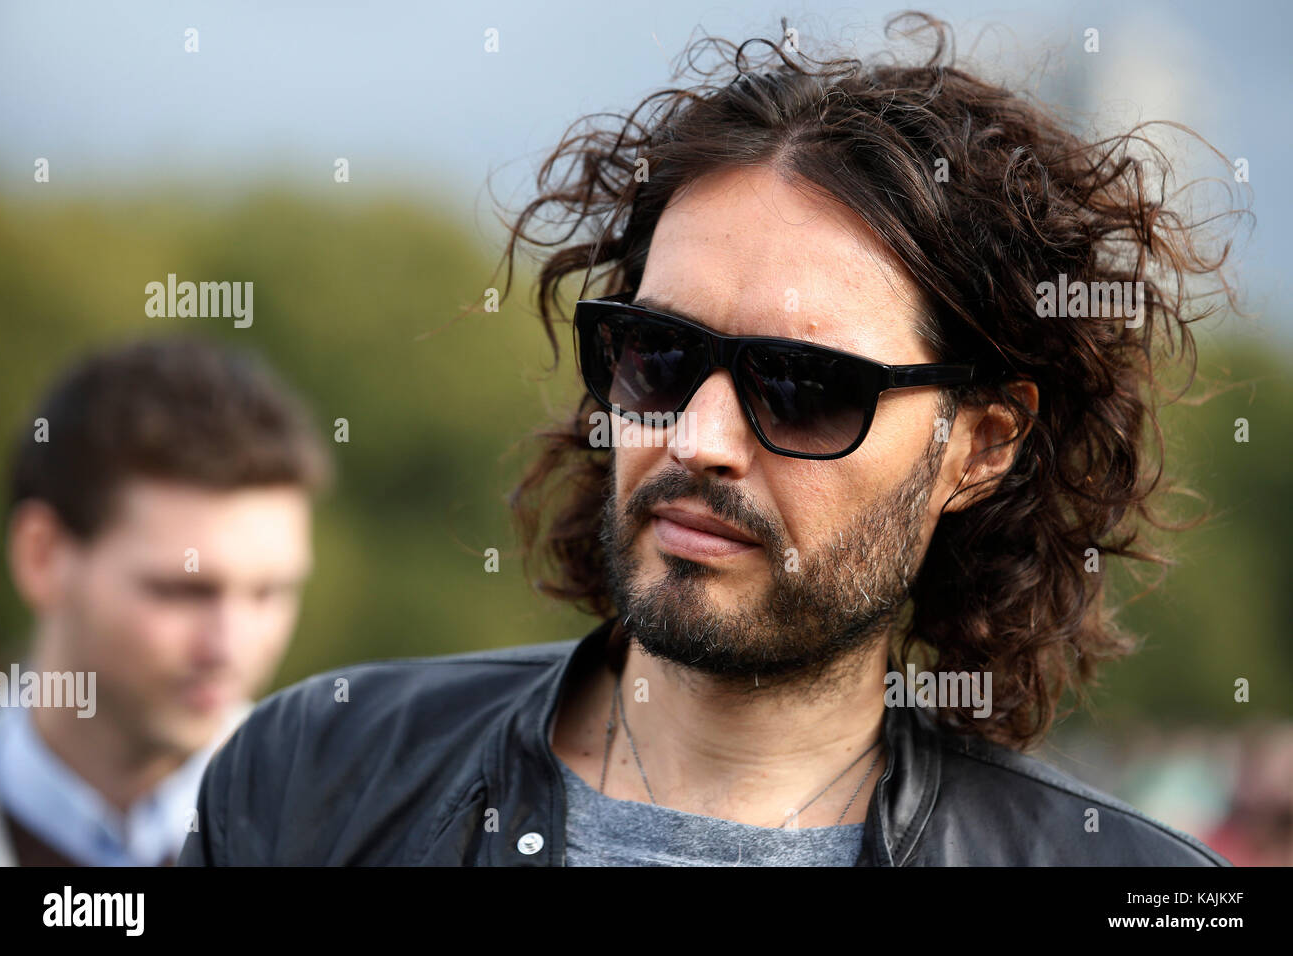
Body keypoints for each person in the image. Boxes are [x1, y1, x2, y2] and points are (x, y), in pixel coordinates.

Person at [180, 15, 1237, 866]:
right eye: (660, 354)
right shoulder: (318, 770)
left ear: (981, 445)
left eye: (806, 385)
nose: (699, 437)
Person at [0, 335, 330, 866]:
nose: (229, 647)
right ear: (43, 557)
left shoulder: (356, 836)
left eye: (270, 592)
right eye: (182, 590)